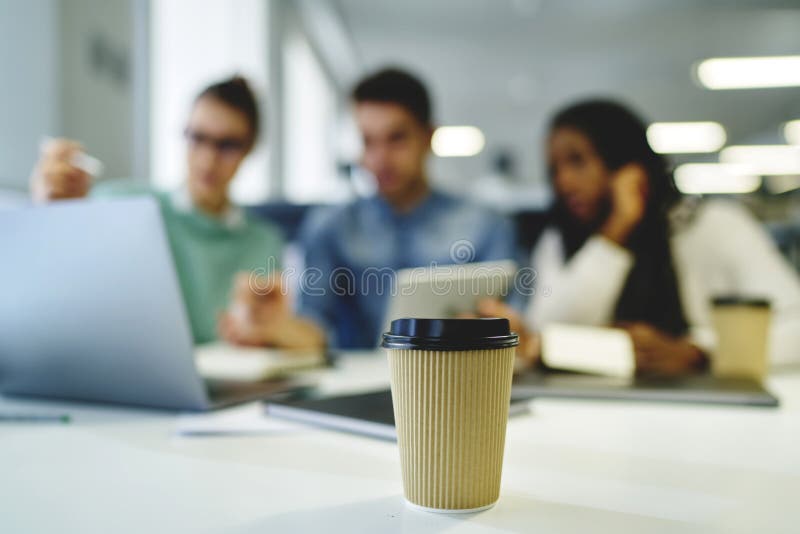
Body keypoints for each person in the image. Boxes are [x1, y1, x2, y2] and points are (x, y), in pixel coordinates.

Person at [480, 99, 800, 375]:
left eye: (577, 161)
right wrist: (616, 231)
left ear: (625, 163)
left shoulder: (712, 226)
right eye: (554, 169)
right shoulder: (560, 238)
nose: (563, 182)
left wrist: (700, 350)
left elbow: (795, 327)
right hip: (588, 417)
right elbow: (546, 333)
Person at [31, 76, 324, 350]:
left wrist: (270, 330)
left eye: (227, 145)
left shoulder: (263, 241)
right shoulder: (124, 205)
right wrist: (53, 210)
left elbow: (307, 336)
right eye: (198, 138)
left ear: (249, 149)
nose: (208, 160)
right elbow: (58, 273)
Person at [298, 68, 516, 349]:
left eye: (396, 138)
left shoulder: (486, 225)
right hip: (355, 384)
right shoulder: (330, 227)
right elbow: (313, 322)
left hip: (455, 381)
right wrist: (275, 327)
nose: (380, 159)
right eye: (368, 141)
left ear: (428, 137)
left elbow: (510, 323)